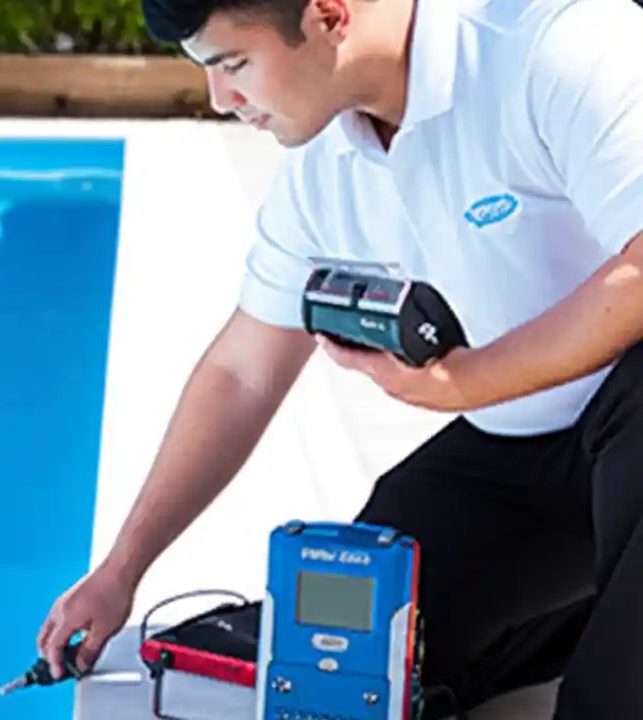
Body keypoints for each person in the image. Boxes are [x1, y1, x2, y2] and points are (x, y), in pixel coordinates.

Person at [34, 0, 643, 716]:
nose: (220, 100)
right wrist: (120, 570)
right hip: (530, 447)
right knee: (352, 645)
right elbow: (242, 371)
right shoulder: (328, 159)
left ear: (328, 15)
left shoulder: (554, 41)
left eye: (233, 66)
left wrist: (467, 380)